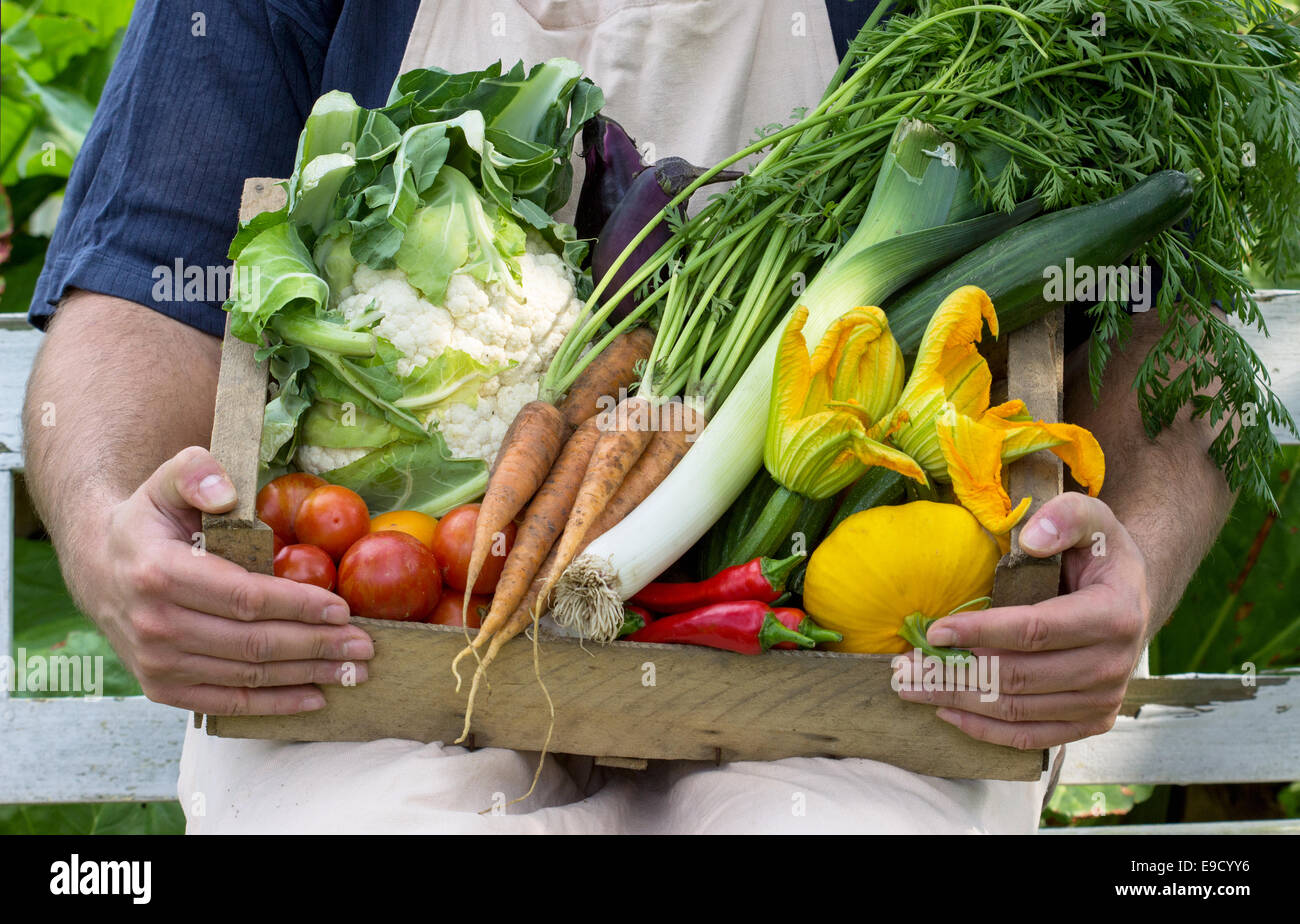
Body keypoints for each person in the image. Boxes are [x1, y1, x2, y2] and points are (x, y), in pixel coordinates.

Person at [23, 0, 1233, 833]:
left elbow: (1170, 328)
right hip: (381, 663)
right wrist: (105, 528)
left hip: (853, 683)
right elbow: (142, 288)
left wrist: (1131, 556)